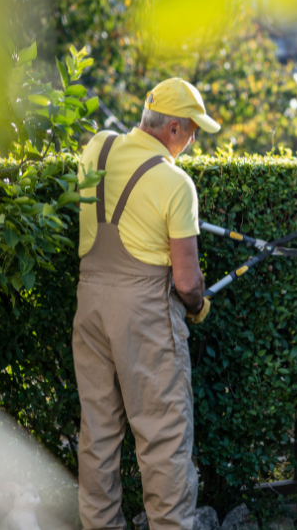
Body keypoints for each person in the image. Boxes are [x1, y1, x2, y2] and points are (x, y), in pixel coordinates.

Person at [72, 77, 218, 530]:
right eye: (192, 130)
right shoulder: (176, 185)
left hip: (91, 303)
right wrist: (197, 307)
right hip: (145, 313)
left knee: (97, 433)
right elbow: (187, 281)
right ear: (173, 128)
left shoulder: (96, 149)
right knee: (162, 437)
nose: (193, 140)